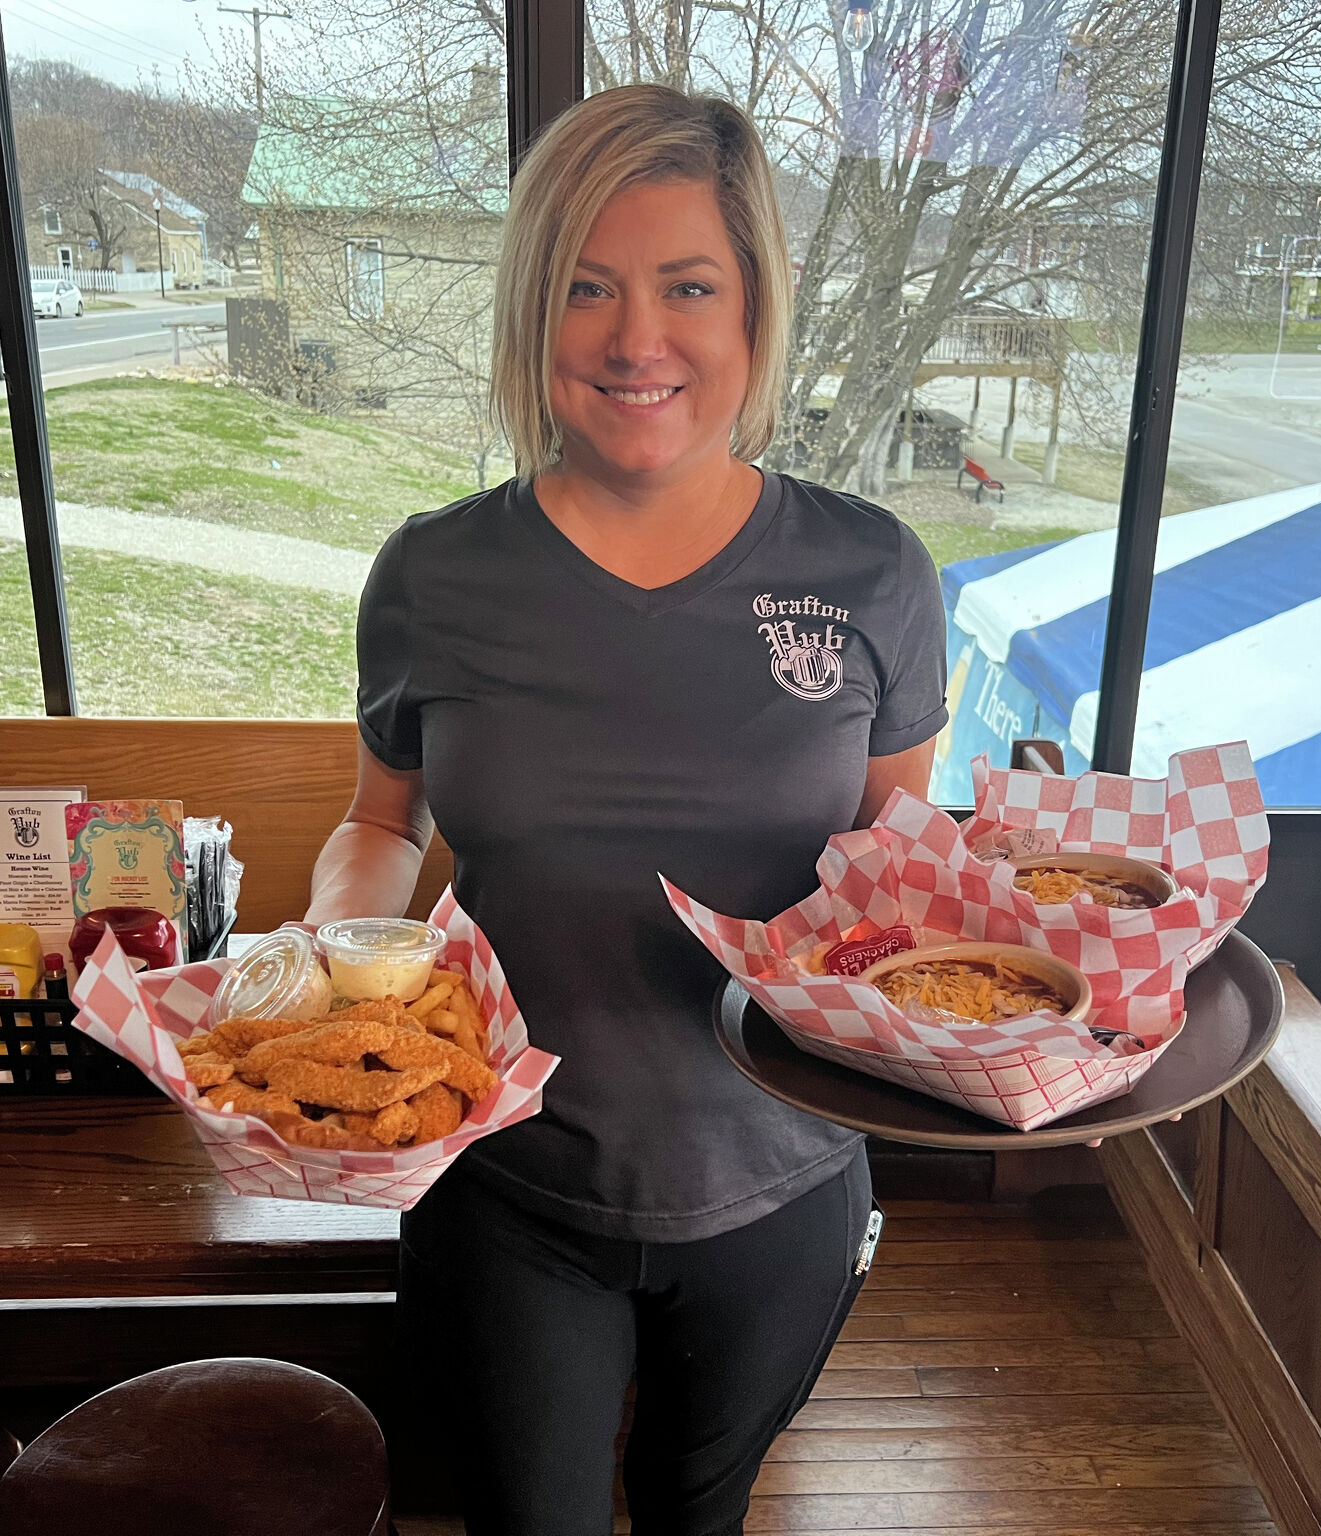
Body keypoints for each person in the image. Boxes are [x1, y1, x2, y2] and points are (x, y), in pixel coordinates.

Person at [305, 83, 948, 1536]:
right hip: (501, 1176)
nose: (635, 337)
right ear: (535, 314)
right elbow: (381, 825)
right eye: (587, 286)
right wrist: (329, 973)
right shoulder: (435, 575)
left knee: (701, 1508)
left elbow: (900, 875)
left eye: (687, 287)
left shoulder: (873, 572)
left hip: (785, 1173)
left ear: (751, 313)